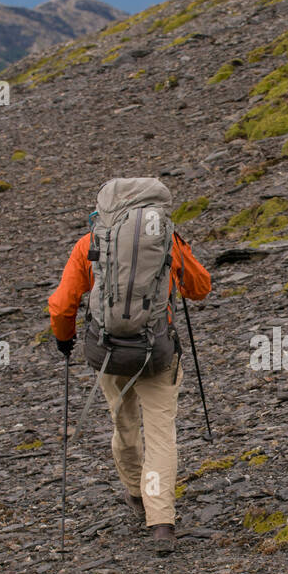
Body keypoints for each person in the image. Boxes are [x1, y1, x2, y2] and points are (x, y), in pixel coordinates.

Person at [48, 179, 211, 554]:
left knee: (124, 426)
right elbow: (201, 287)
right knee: (160, 436)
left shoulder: (89, 244)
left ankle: (137, 494)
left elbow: (61, 305)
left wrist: (63, 338)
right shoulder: (166, 241)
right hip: (156, 353)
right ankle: (162, 523)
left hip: (109, 355)